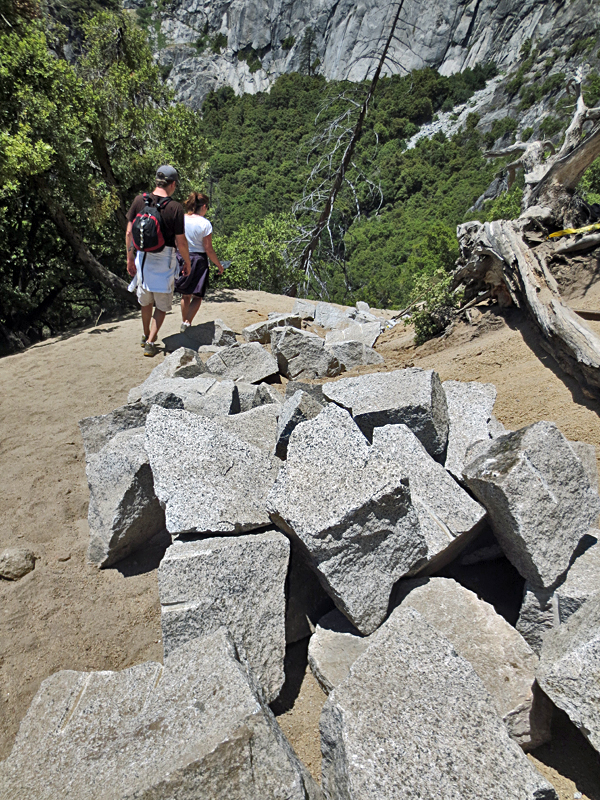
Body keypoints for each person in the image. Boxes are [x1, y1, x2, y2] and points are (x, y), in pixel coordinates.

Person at [125, 165, 191, 357]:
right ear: (173, 184)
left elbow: (129, 232)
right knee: (161, 304)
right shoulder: (175, 208)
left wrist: (130, 258)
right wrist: (186, 262)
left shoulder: (139, 201)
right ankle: (151, 341)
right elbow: (181, 241)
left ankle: (145, 334)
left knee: (145, 301)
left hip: (142, 258)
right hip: (165, 258)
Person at [175, 192, 224, 333]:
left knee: (185, 294)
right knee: (198, 295)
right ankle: (187, 322)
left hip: (181, 257)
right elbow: (208, 248)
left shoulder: (181, 219)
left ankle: (184, 322)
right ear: (203, 206)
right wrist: (218, 265)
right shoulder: (205, 224)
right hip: (198, 260)